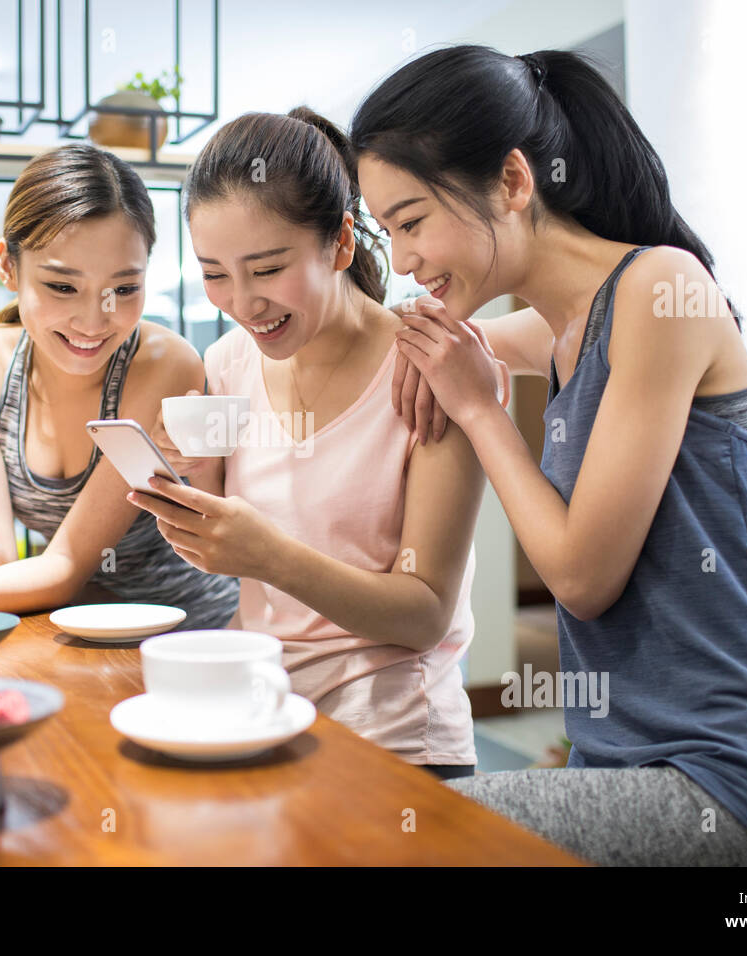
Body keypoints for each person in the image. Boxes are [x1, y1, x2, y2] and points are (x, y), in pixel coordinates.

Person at [349, 44, 747, 865]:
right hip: (629, 760)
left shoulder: (664, 291)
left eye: (412, 221)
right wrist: (421, 353)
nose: (406, 259)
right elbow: (464, 343)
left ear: (515, 182)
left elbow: (583, 580)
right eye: (388, 231)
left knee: (412, 834)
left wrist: (480, 409)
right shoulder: (568, 326)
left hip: (744, 781)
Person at [128, 108, 484, 778]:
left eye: (266, 269)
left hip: (398, 750)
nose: (241, 301)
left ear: (341, 243)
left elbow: (425, 614)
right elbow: (221, 557)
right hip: (260, 721)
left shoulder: (427, 373)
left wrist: (271, 557)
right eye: (214, 273)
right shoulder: (231, 362)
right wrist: (184, 495)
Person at [0, 144, 237, 628]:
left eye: (123, 289)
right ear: (8, 267)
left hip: (191, 633)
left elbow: (66, 569)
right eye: (62, 286)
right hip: (66, 639)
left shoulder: (162, 364)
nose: (95, 321)